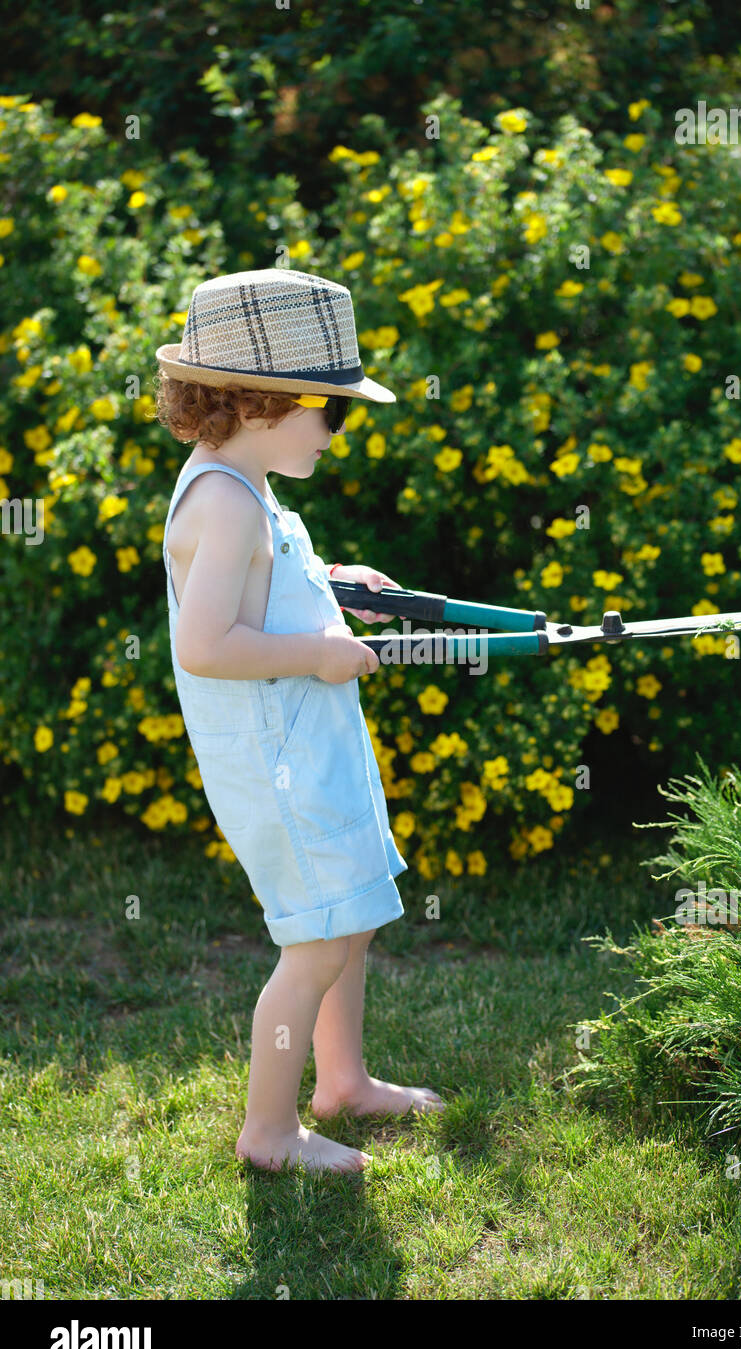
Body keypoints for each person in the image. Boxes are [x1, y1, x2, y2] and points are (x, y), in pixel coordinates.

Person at [154, 267, 444, 1176]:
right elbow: (205, 645)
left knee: (345, 919)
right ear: (262, 402)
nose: (338, 432)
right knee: (315, 941)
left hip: (309, 746)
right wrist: (320, 655)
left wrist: (337, 589)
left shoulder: (245, 486)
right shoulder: (223, 502)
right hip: (276, 761)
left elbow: (265, 591)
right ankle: (269, 1134)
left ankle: (343, 1083)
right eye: (336, 411)